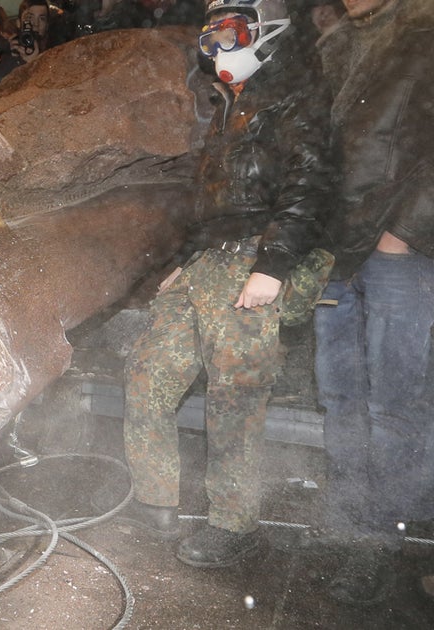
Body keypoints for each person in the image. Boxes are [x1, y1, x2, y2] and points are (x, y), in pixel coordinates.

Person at [121, 0, 334, 568]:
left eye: (233, 32)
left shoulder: (293, 103)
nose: (220, 47)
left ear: (267, 32)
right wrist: (184, 260)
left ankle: (233, 524)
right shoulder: (224, 111)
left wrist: (273, 266)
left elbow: (309, 187)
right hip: (209, 260)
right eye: (211, 37)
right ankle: (155, 500)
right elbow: (210, 206)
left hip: (255, 260)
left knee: (235, 401)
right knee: (148, 376)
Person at [310, 0, 434, 605]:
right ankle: (347, 520)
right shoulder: (335, 44)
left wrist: (403, 233)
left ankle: (388, 541)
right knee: (340, 394)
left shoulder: (426, 32)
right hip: (336, 248)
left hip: (395, 254)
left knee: (395, 403)